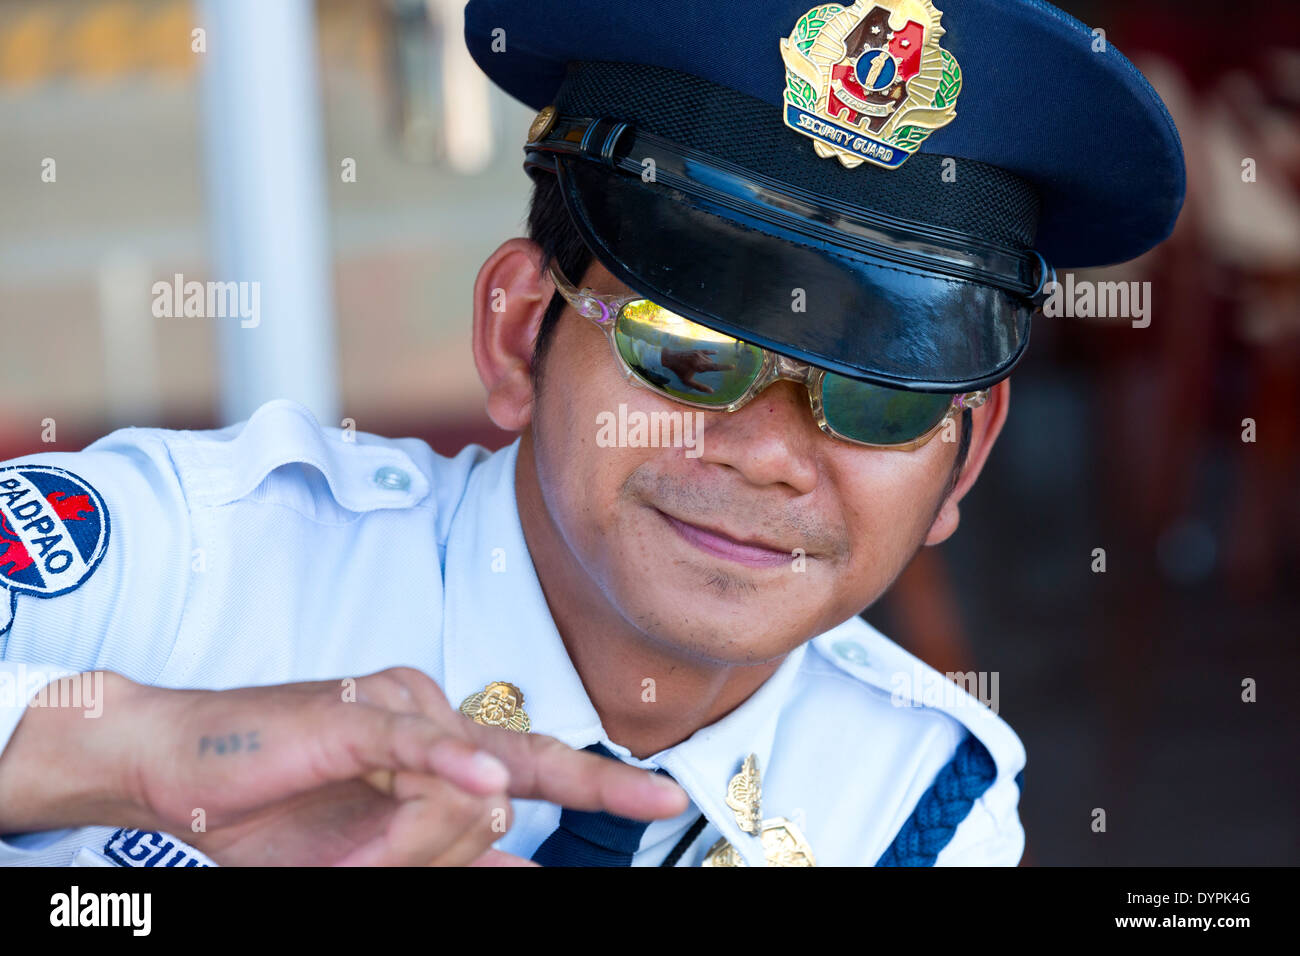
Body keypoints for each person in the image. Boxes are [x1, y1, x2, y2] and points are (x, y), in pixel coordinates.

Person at [0, 0, 1184, 867]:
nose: (773, 453)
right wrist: (147, 752)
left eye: (881, 397)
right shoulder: (181, 568)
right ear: (520, 334)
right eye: (690, 350)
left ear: (963, 461)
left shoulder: (913, 804)